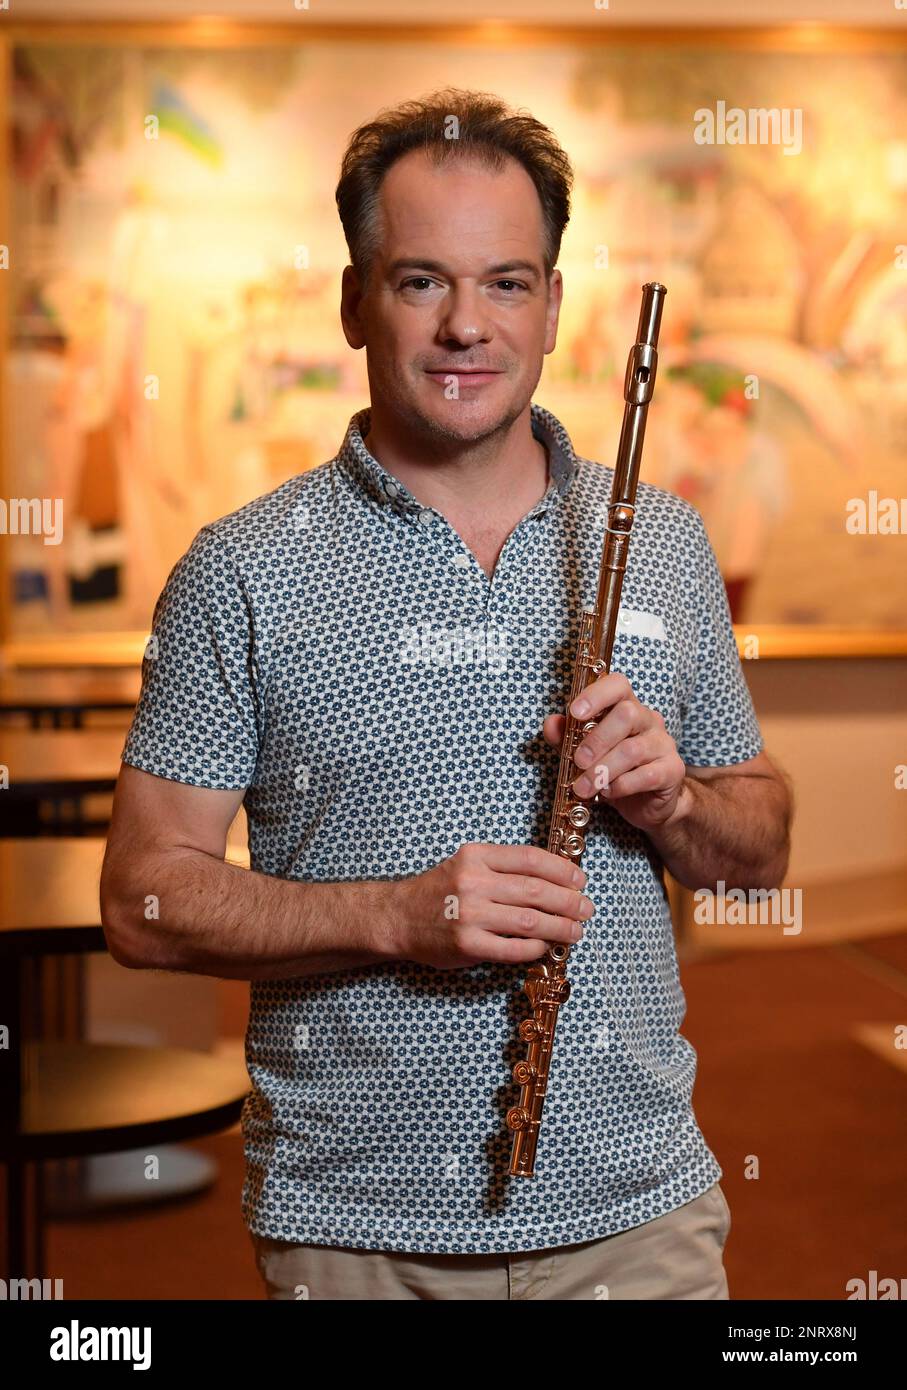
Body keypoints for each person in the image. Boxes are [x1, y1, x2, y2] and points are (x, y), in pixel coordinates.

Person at [100, 88, 792, 1301]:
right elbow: (143, 899)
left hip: (644, 1217)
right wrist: (390, 917)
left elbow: (761, 849)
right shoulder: (242, 568)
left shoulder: (663, 544)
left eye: (507, 283)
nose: (467, 325)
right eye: (421, 280)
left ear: (556, 306)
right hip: (356, 1233)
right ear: (355, 299)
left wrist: (675, 799)